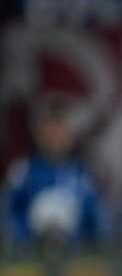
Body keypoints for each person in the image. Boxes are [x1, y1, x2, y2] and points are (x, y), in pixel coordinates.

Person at [2, 97, 106, 255]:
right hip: (31, 258)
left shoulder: (81, 175)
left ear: (70, 136)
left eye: (61, 130)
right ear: (39, 134)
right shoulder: (24, 170)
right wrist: (24, 240)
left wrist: (89, 245)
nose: (56, 136)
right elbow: (9, 211)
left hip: (73, 259)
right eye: (50, 130)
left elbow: (95, 220)